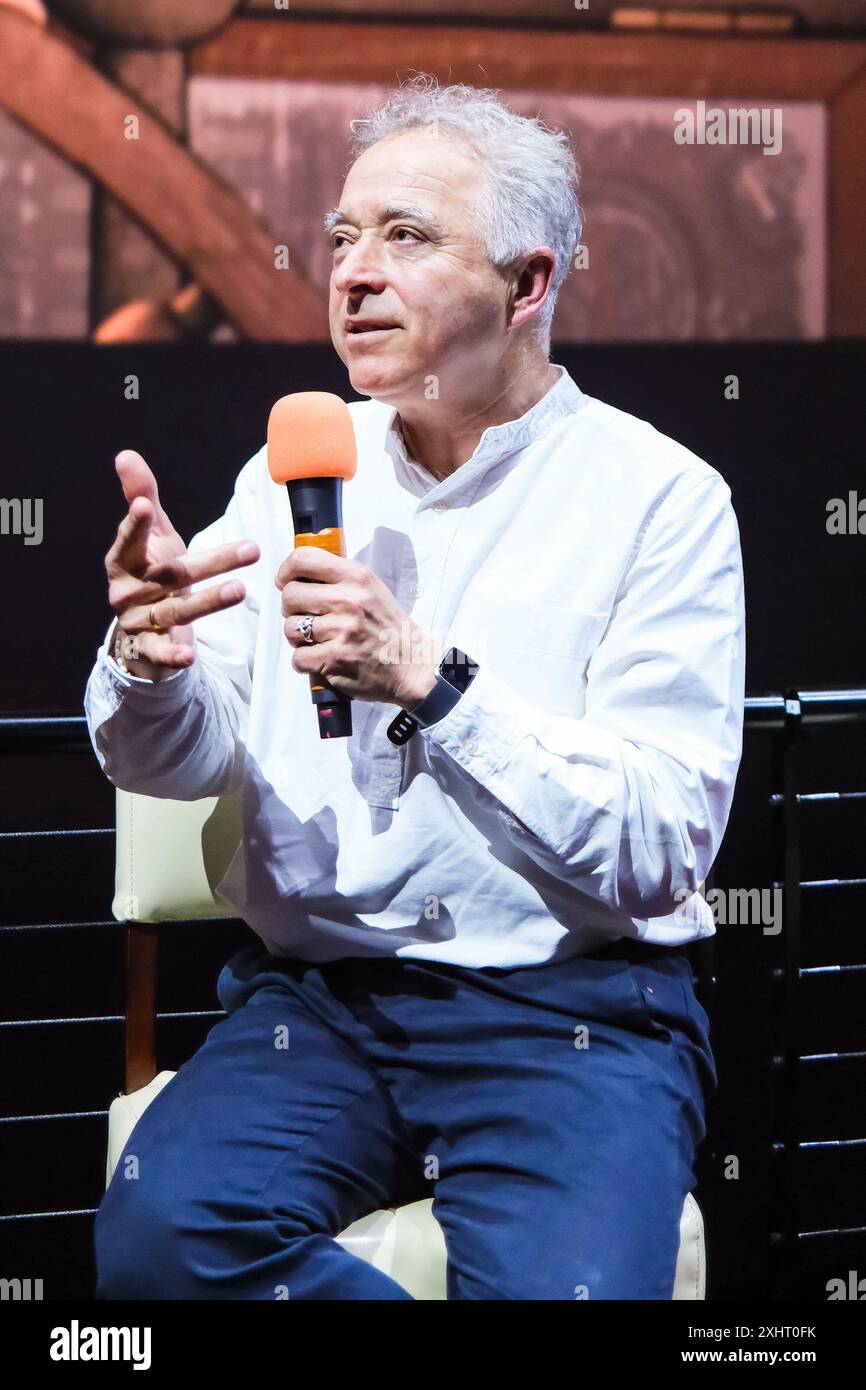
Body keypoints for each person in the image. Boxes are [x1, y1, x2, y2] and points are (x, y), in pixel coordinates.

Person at [84, 75, 745, 1300]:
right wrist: (147, 665)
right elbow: (172, 760)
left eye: (404, 236)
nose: (349, 271)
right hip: (319, 1007)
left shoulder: (660, 500)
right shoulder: (286, 472)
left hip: (572, 1013)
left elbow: (660, 846)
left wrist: (433, 685)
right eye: (340, 237)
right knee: (159, 1245)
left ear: (527, 284)